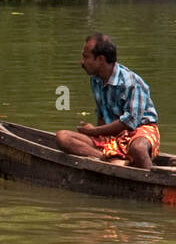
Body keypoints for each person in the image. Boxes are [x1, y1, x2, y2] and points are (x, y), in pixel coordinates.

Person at [55, 33, 160, 170]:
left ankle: (150, 182)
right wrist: (98, 135)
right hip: (113, 136)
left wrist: (94, 131)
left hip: (139, 131)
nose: (82, 62)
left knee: (138, 149)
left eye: (86, 57)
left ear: (100, 59)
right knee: (62, 137)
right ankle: (107, 159)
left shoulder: (130, 82)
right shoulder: (96, 79)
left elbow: (130, 122)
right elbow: (102, 115)